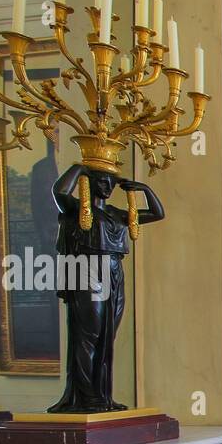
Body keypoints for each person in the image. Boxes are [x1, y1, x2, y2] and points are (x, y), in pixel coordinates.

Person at [49, 164, 164, 413]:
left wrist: (144, 189)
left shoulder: (116, 214)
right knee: (88, 334)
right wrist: (79, 167)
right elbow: (59, 192)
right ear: (88, 181)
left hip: (113, 273)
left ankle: (102, 396)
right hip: (88, 271)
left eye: (112, 182)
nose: (109, 186)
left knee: (106, 335)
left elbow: (157, 214)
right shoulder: (77, 210)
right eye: (103, 180)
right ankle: (85, 397)